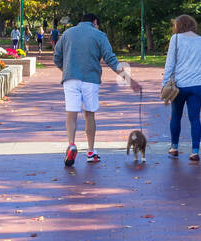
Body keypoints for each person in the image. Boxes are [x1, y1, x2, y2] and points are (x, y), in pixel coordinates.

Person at [53, 11, 142, 166]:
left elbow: (57, 56)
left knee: (71, 114)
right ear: (95, 22)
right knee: (89, 115)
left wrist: (66, 69)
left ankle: (72, 144)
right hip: (91, 79)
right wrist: (129, 80)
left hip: (70, 79)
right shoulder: (99, 35)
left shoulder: (68, 33)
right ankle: (91, 151)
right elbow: (111, 60)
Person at [161, 14, 201, 162]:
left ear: (178, 26)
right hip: (197, 86)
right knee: (195, 118)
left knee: (176, 116)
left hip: (179, 86)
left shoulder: (175, 39)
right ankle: (195, 151)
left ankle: (174, 148)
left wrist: (164, 83)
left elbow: (169, 64)